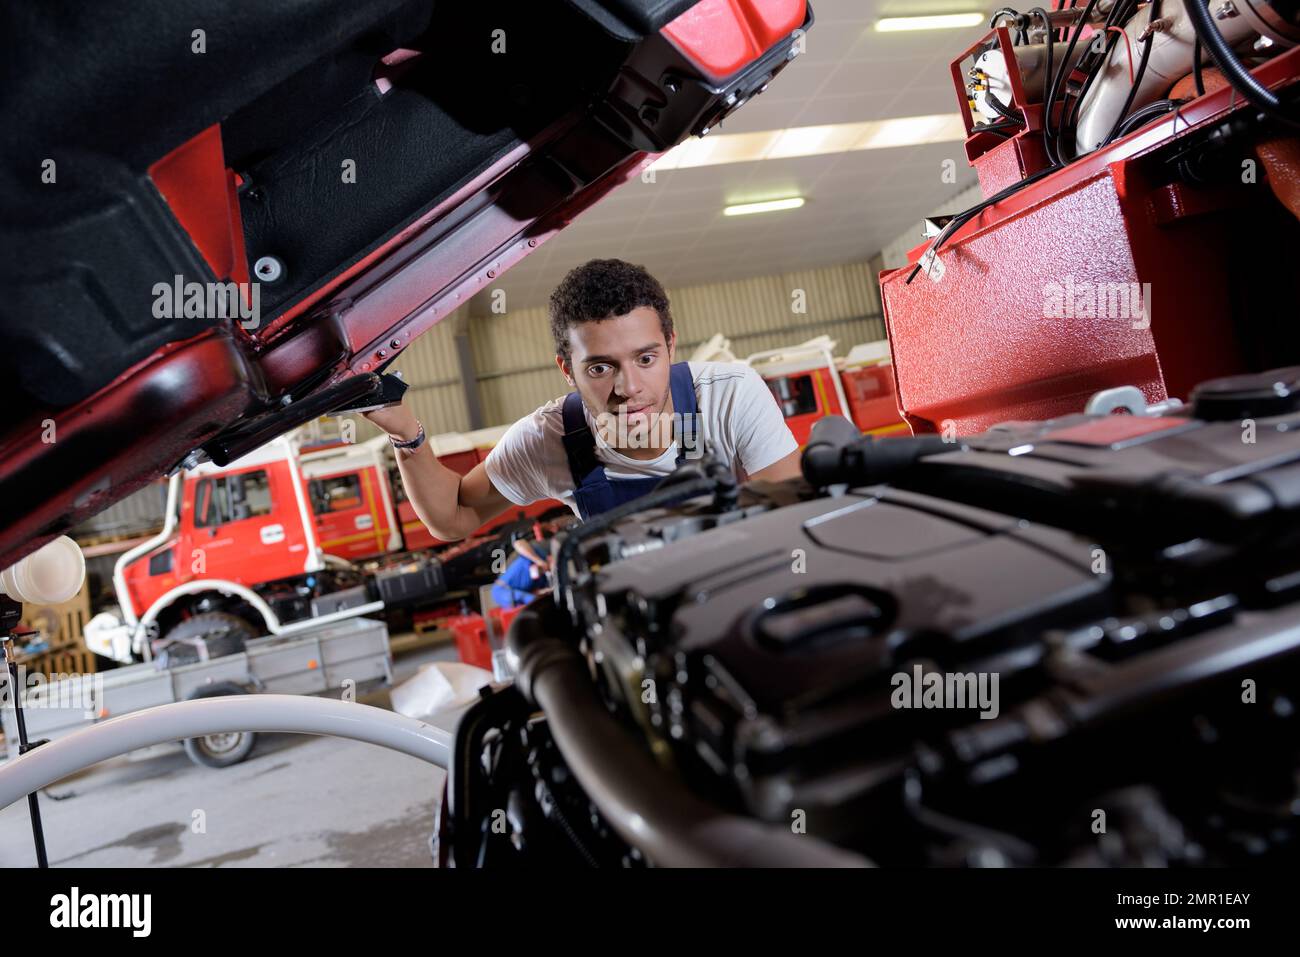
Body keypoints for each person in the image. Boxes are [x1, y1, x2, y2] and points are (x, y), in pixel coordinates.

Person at [365, 258, 801, 533]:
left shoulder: (728, 398)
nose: (629, 388)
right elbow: (453, 517)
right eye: (600, 368)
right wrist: (405, 433)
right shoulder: (549, 440)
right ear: (566, 370)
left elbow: (789, 522)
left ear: (671, 345)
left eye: (646, 359)